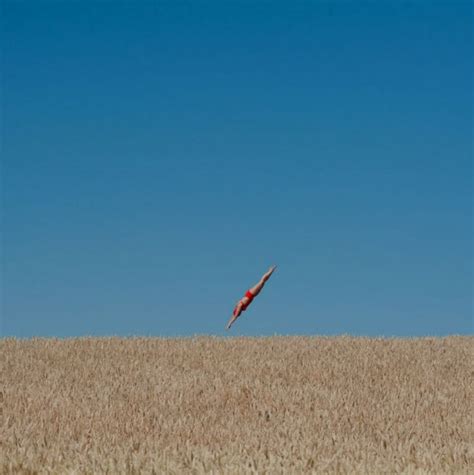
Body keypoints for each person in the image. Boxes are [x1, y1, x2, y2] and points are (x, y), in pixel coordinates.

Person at [225, 265, 277, 330]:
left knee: (261, 281)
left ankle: (271, 270)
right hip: (252, 296)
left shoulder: (239, 307)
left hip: (250, 294)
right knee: (263, 282)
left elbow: (235, 316)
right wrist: (228, 324)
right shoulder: (238, 310)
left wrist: (230, 324)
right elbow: (233, 316)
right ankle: (270, 271)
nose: (238, 313)